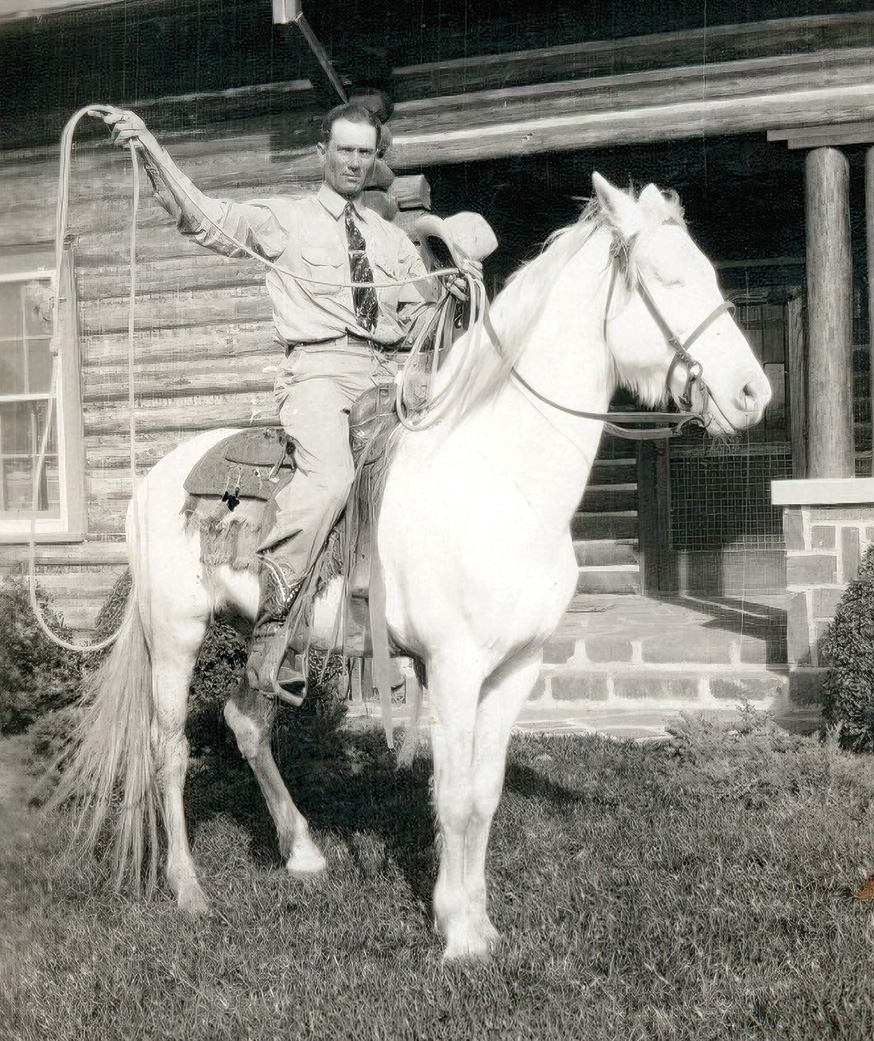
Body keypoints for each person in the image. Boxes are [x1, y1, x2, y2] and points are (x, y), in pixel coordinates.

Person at [100, 102, 481, 702]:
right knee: (330, 477)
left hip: (386, 376)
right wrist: (150, 149)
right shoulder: (285, 219)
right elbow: (204, 220)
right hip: (318, 373)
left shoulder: (392, 242)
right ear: (322, 152)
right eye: (345, 150)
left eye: (366, 152)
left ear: (375, 159)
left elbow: (413, 322)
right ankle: (277, 605)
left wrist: (444, 298)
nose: (355, 162)